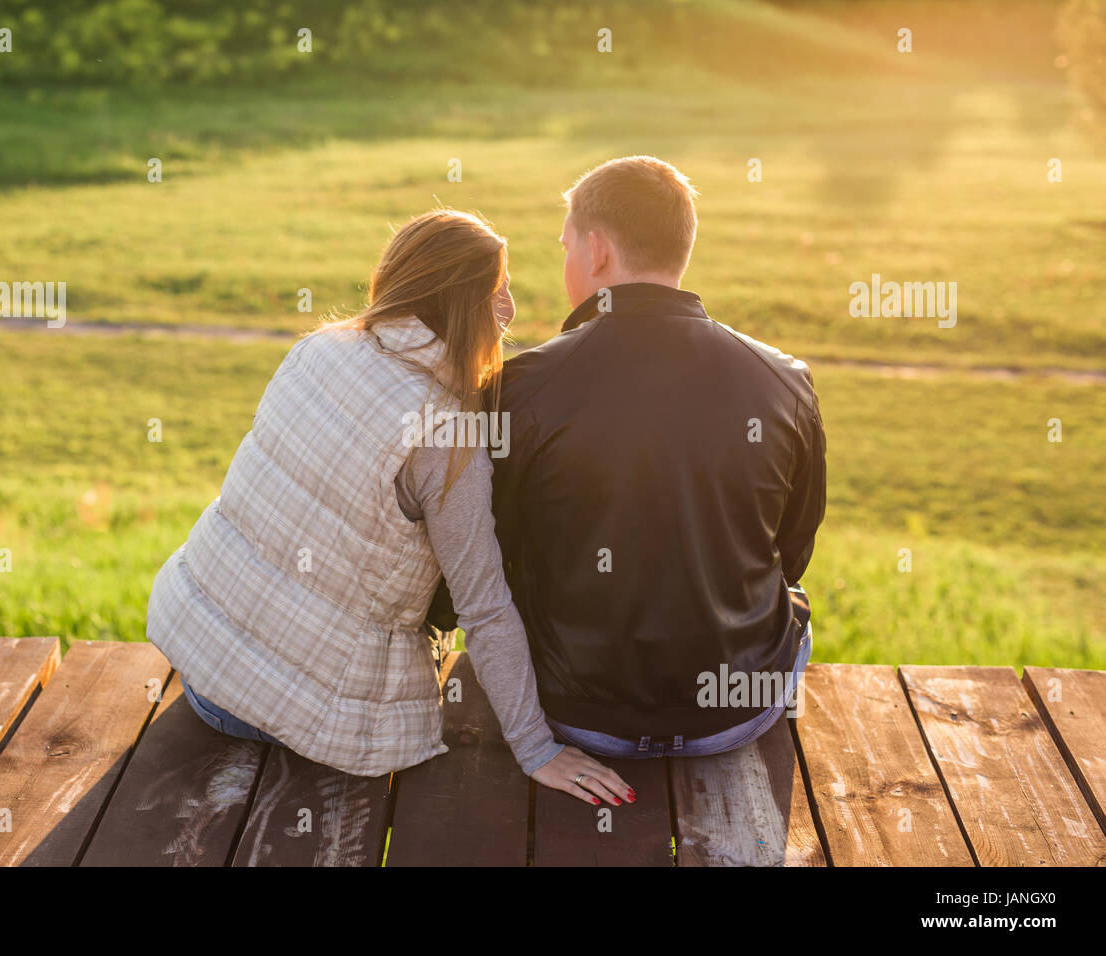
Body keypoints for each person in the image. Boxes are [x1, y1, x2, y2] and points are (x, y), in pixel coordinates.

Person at [146, 209, 634, 807]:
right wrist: (537, 748)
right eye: (498, 292)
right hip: (304, 717)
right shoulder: (444, 433)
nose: (508, 310)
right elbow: (484, 607)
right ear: (463, 304)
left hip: (202, 667)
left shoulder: (318, 348)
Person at [489, 156, 826, 759]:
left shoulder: (523, 386)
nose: (566, 262)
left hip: (574, 715)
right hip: (739, 712)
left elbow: (496, 560)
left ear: (596, 252)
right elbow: (792, 553)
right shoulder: (784, 379)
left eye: (565, 247)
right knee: (795, 603)